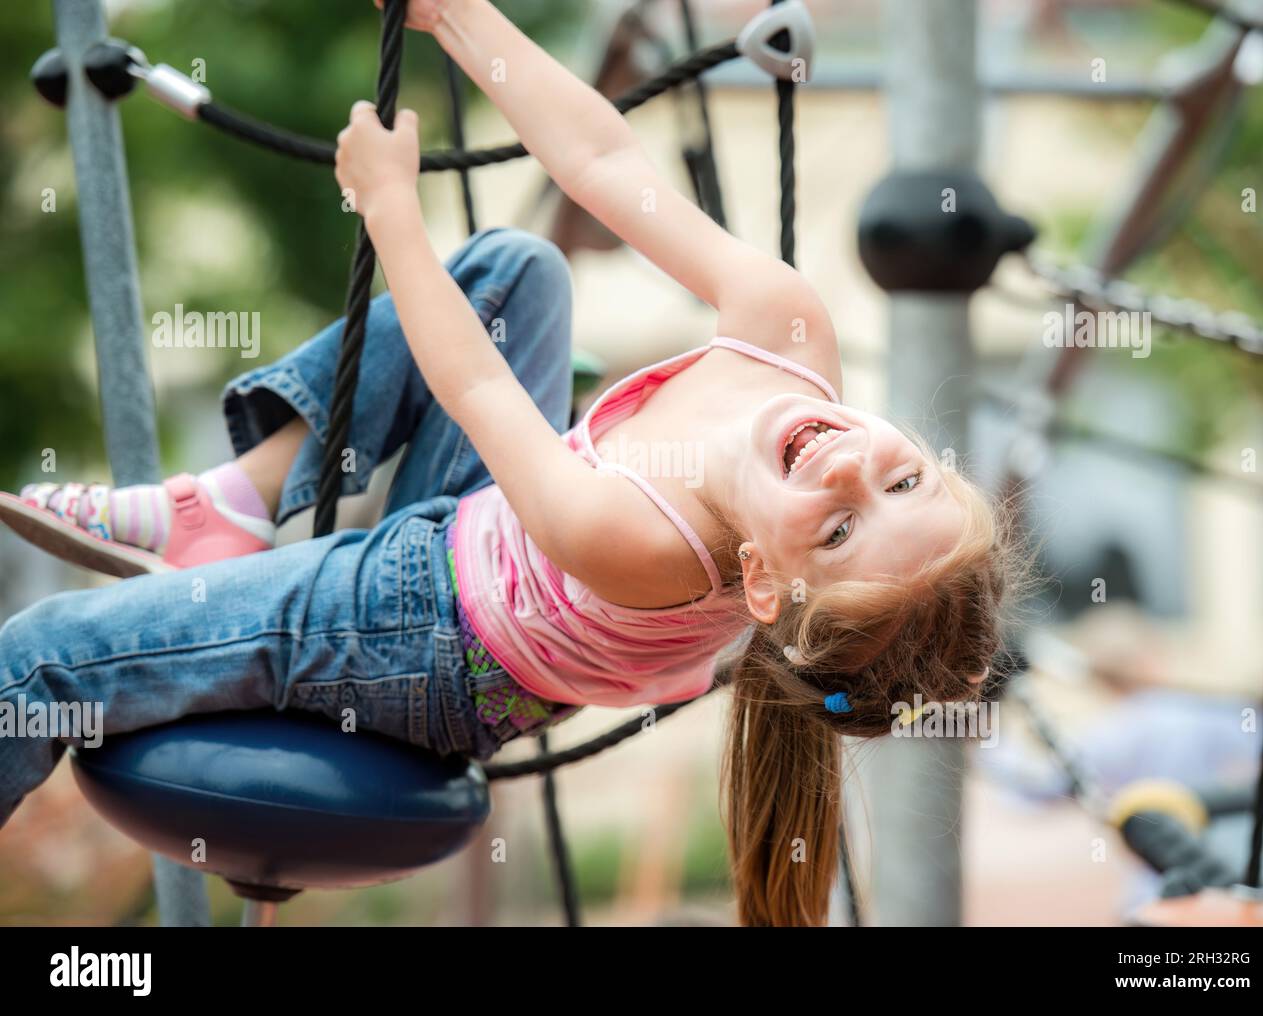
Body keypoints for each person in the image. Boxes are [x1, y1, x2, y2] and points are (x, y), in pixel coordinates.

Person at [0, 0, 1023, 926]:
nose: (853, 473)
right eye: (905, 480)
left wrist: (389, 209)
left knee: (34, 662)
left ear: (758, 578)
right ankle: (232, 503)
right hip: (479, 529)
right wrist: (462, 17)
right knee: (516, 268)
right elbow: (606, 165)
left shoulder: (637, 546)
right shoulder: (788, 335)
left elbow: (480, 390)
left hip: (427, 638)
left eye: (840, 532)